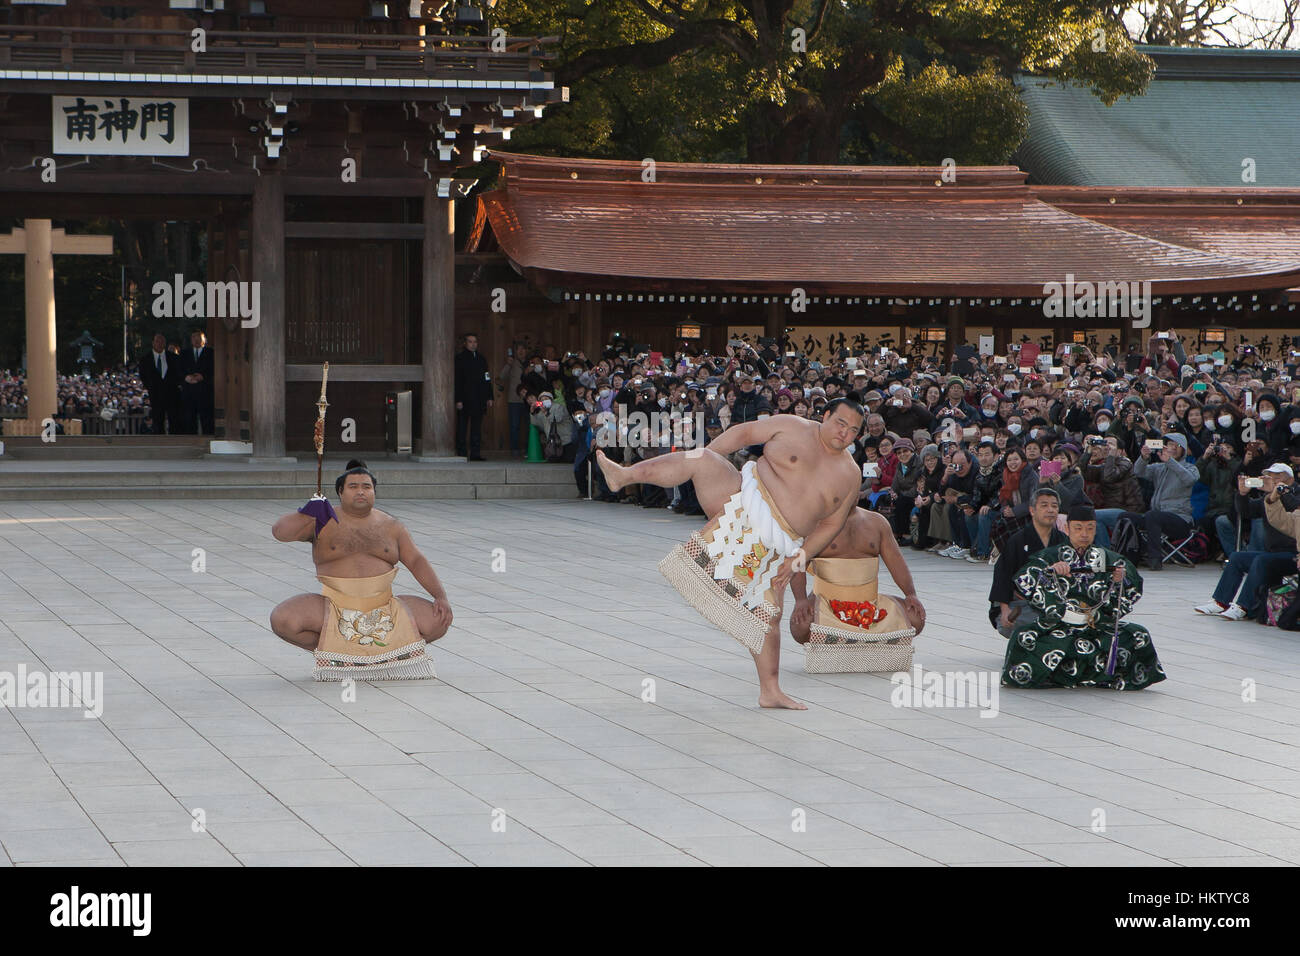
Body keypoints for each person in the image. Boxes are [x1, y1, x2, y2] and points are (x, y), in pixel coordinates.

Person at [598, 399, 864, 710]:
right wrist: (713, 456)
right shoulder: (792, 426)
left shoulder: (849, 474)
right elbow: (743, 434)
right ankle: (624, 476)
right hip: (740, 500)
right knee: (700, 457)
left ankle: (770, 690)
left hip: (780, 544)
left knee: (769, 617)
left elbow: (831, 523)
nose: (844, 433)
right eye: (840, 423)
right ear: (826, 416)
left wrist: (800, 557)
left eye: (853, 431)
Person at [268, 460, 451, 679]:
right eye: (353, 487)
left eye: (366, 487)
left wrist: (440, 596)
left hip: (384, 606)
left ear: (374, 492)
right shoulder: (322, 520)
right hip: (335, 606)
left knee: (439, 620)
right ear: (340, 492)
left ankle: (378, 655)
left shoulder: (392, 526)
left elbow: (416, 561)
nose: (361, 492)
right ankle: (337, 651)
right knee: (283, 619)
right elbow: (280, 532)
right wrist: (307, 513)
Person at [1001, 503, 1166, 691]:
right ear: (1066, 528)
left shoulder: (1109, 559)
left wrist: (1121, 580)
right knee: (1023, 636)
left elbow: (1132, 584)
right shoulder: (1050, 556)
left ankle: (1099, 677)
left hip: (1097, 625)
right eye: (1078, 528)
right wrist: (1049, 573)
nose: (1084, 534)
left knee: (1138, 634)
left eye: (1090, 528)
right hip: (1059, 624)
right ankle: (1063, 676)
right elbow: (1025, 578)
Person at [788, 507, 926, 650]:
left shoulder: (877, 522)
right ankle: (861, 640)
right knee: (801, 626)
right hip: (826, 605)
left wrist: (911, 594)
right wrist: (800, 600)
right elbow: (798, 564)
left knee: (916, 618)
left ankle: (854, 640)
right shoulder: (814, 524)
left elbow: (897, 562)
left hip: (871, 606)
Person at [1194, 464, 1299, 620]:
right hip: (1272, 552)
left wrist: (1282, 492)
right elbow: (1245, 512)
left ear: (1290, 478)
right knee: (1237, 557)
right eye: (1270, 476)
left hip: (1293, 554)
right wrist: (1242, 494)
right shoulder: (1268, 498)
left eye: (1278, 476)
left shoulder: (1294, 495)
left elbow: (1292, 507)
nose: (1273, 480)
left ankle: (1243, 606)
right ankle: (1220, 602)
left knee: (1261, 560)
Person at [989, 487, 1067, 638]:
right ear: (1032, 510)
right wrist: (1004, 610)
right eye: (1044, 505)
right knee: (1034, 622)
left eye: (1054, 506)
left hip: (1055, 602)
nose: (1050, 510)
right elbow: (1002, 576)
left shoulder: (1063, 541)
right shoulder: (1017, 540)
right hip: (1022, 605)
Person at [1119, 432, 1198, 570]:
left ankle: (1154, 559)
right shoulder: (1159, 467)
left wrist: (1170, 462)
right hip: (1156, 517)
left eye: (1177, 445)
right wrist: (1143, 457)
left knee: (1152, 515)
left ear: (1184, 449)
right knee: (1125, 517)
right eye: (1169, 444)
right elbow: (1139, 472)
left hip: (1180, 519)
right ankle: (1130, 555)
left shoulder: (1190, 468)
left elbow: (1189, 480)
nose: (1172, 448)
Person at [454, 333, 492, 461]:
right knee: (462, 427)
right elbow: (457, 381)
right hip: (464, 398)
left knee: (476, 428)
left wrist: (489, 396)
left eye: (475, 341)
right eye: (470, 342)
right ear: (465, 343)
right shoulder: (459, 359)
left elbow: (487, 378)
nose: (473, 344)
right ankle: (462, 453)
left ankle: (475, 453)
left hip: (479, 398)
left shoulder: (481, 359)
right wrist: (458, 399)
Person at [138, 332, 181, 435]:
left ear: (165, 343)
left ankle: (175, 442)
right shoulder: (145, 359)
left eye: (162, 341)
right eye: (157, 341)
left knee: (174, 420)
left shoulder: (173, 358)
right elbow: (143, 376)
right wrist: (151, 388)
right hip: (155, 395)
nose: (159, 343)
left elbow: (178, 374)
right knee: (157, 421)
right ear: (153, 343)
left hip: (172, 395)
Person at [178, 329, 214, 435]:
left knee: (207, 420)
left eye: (199, 338)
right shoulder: (184, 353)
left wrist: (203, 376)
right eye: (194, 338)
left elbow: (214, 369)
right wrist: (186, 377)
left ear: (204, 340)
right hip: (189, 392)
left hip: (205, 392)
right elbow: (179, 370)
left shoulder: (211, 352)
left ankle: (208, 441)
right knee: (189, 419)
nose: (196, 340)